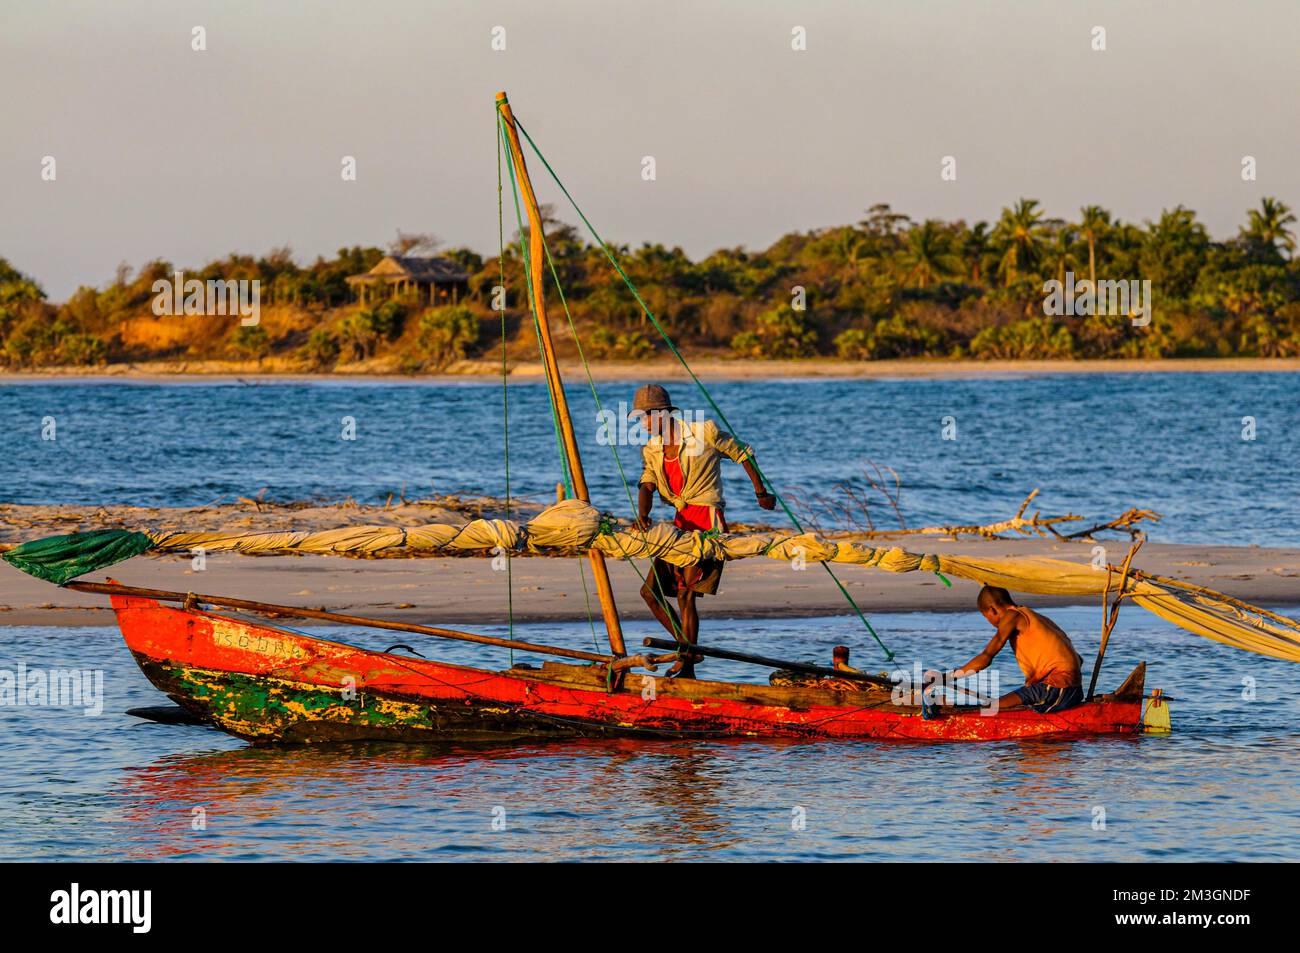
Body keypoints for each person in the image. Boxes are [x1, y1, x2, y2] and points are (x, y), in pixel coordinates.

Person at [630, 384, 775, 678]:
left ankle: (686, 664)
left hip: (707, 521)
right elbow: (647, 483)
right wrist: (642, 515)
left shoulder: (702, 432)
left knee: (686, 595)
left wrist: (761, 492)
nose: (643, 424)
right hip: (680, 524)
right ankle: (688, 650)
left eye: (645, 417)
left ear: (661, 414)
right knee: (650, 592)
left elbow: (742, 453)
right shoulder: (653, 449)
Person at [926, 585, 1085, 713]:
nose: (989, 621)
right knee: (997, 704)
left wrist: (945, 678)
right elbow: (1078, 659)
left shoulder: (1011, 616)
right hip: (1072, 691)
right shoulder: (1035, 617)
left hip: (1057, 689)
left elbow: (986, 657)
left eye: (986, 617)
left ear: (992, 610)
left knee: (989, 708)